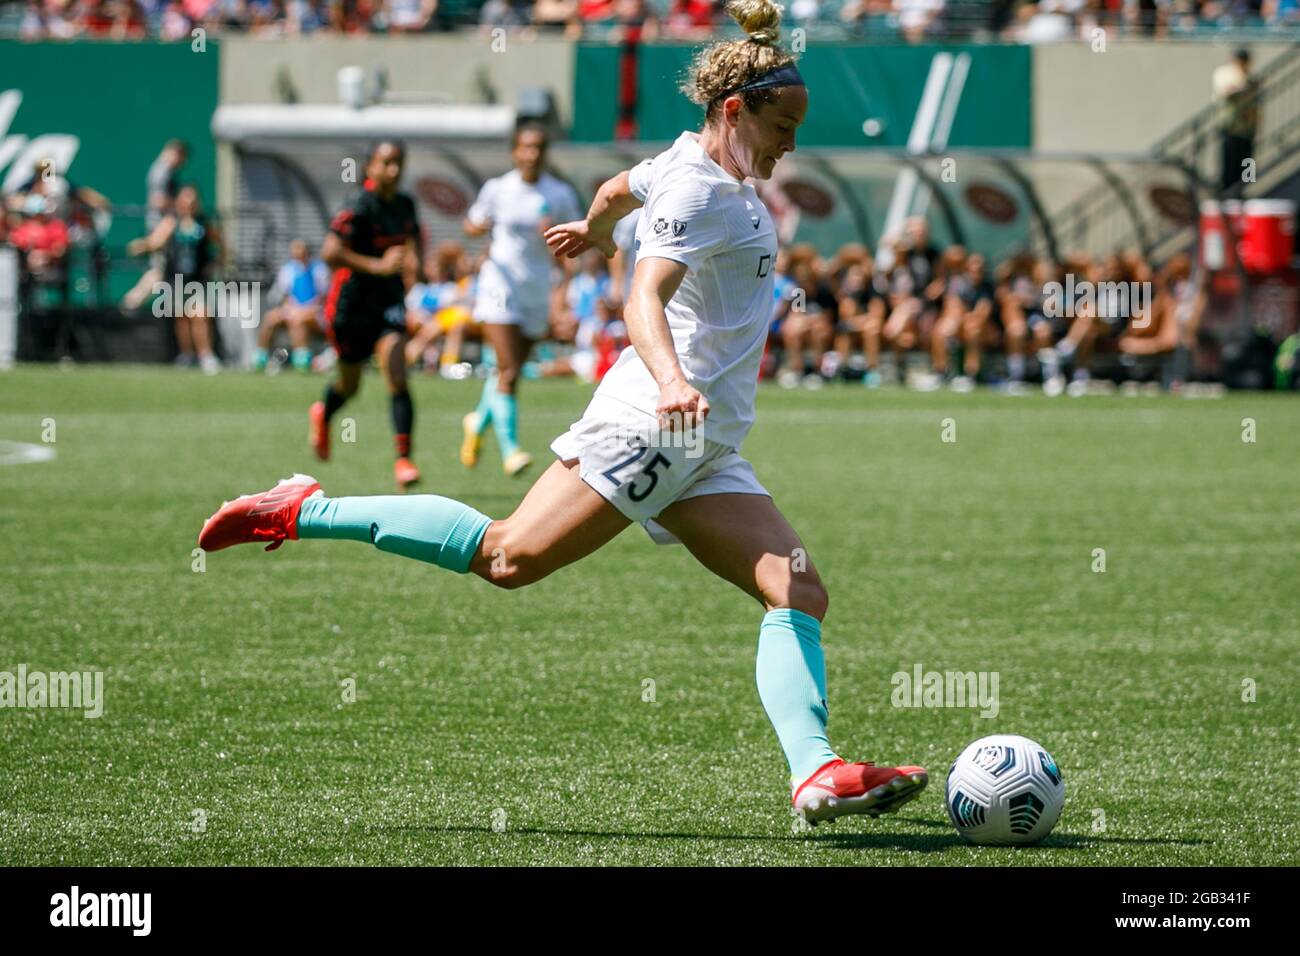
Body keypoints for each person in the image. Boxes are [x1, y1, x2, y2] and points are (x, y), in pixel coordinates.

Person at [198, 0, 928, 828]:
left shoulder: (688, 163)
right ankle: (305, 508)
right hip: (657, 424)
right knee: (510, 558)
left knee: (796, 589)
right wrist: (669, 378)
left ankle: (815, 774)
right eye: (785, 124)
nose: (794, 141)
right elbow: (643, 296)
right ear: (737, 111)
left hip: (706, 444)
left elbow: (622, 186)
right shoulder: (699, 188)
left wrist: (595, 224)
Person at [460, 122, 582, 478]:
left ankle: (476, 421)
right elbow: (470, 224)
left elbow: (572, 243)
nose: (531, 154)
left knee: (507, 370)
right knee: (510, 370)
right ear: (514, 151)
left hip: (535, 288)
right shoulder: (497, 189)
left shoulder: (558, 194)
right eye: (525, 147)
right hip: (499, 284)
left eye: (538, 148)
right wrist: (479, 227)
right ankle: (511, 450)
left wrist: (562, 290)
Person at [310, 139, 423, 489]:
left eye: (398, 163)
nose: (393, 169)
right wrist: (377, 265)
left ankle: (404, 459)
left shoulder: (404, 204)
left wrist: (415, 261)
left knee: (395, 370)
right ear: (370, 166)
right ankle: (324, 413)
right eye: (386, 162)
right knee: (350, 386)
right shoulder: (359, 203)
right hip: (350, 306)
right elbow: (330, 252)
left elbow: (413, 237)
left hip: (387, 301)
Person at [127, 184, 223, 374]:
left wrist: (216, 263)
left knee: (200, 315)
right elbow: (155, 242)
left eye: (193, 199)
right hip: (176, 279)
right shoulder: (172, 222)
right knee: (182, 318)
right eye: (186, 199)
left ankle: (206, 355)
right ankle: (186, 354)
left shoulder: (204, 223)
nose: (190, 203)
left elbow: (221, 244)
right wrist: (141, 246)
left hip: (198, 280)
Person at [254, 239, 331, 372]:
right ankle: (261, 357)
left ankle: (301, 359)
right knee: (270, 318)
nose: (295, 252)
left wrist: (304, 310)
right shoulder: (288, 269)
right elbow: (286, 296)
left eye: (298, 248)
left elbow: (323, 298)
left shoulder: (319, 269)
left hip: (316, 313)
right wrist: (289, 308)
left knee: (298, 320)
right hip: (294, 310)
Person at [1213, 48, 1260, 193]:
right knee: (1230, 163)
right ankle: (1227, 192)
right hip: (1231, 127)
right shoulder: (1225, 73)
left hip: (1248, 129)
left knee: (1248, 163)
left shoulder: (1250, 77)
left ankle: (1243, 191)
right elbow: (1226, 92)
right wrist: (1242, 87)